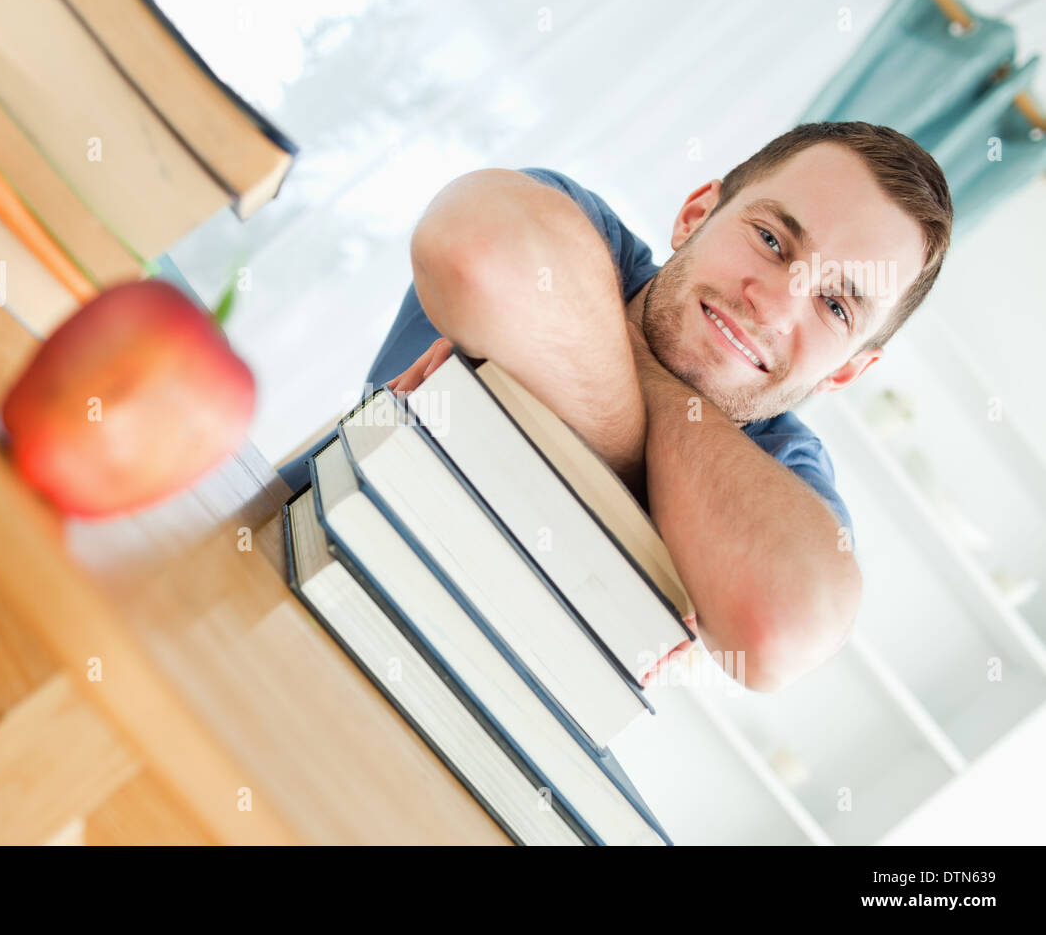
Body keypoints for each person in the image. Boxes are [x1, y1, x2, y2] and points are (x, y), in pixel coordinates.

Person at [278, 121, 953, 693]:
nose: (771, 305)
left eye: (835, 306)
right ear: (695, 216)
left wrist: (613, 362)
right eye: (772, 240)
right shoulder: (582, 233)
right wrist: (659, 507)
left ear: (848, 374)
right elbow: (478, 250)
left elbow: (781, 631)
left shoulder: (793, 479)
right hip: (273, 579)